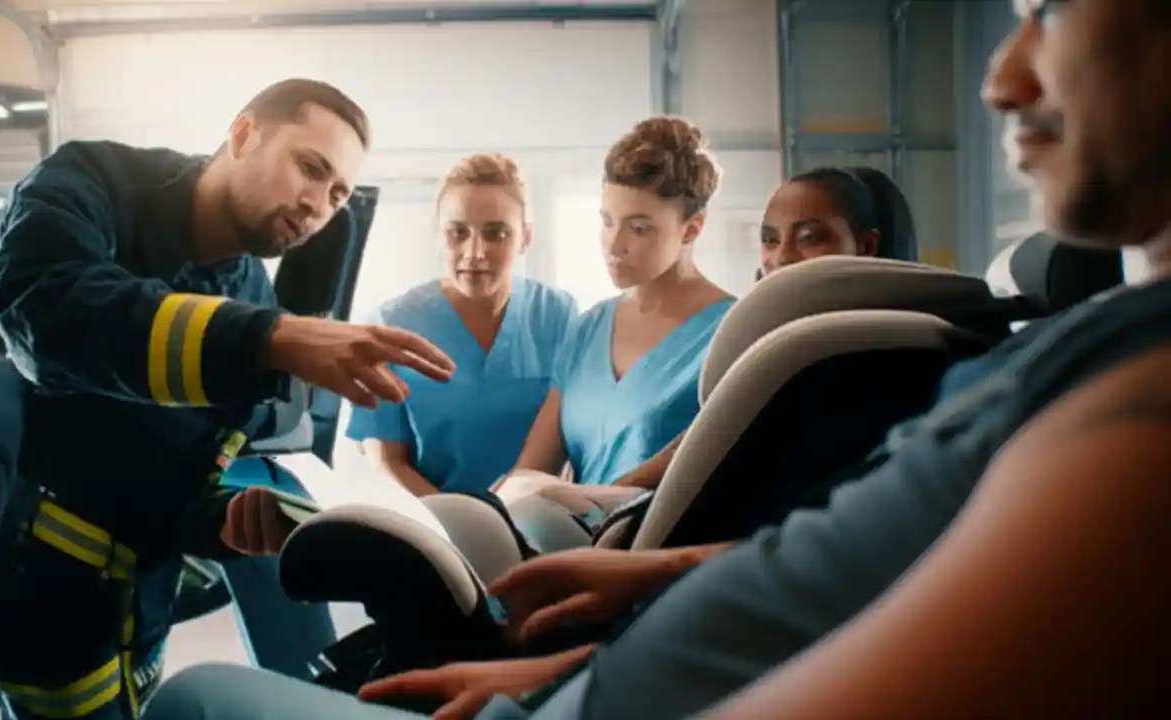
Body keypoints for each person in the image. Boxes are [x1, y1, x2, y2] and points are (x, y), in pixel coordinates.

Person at [145, 0, 1171, 717]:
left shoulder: (1123, 403)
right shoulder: (1047, 366)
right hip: (589, 661)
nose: (1001, 76)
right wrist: (606, 631)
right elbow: (851, 579)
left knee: (193, 695)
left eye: (1057, 7)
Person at [0, 79, 456, 720]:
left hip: (141, 602)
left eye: (338, 195)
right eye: (310, 169)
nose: (318, 206)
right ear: (244, 132)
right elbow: (46, 318)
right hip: (29, 583)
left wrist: (229, 519)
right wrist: (270, 339)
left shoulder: (248, 284)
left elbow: (186, 457)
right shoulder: (89, 182)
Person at [605, 164, 919, 492]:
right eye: (770, 240)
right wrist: (606, 499)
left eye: (809, 238)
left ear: (866, 246)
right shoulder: (765, 342)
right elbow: (708, 439)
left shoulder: (881, 358)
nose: (782, 256)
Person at [497, 116, 734, 502]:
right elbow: (532, 470)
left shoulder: (732, 332)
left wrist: (587, 502)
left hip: (667, 549)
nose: (613, 245)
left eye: (639, 229)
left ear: (692, 229)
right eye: (607, 222)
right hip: (573, 546)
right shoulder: (588, 329)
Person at [345, 154, 577, 497]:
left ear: (526, 237)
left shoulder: (558, 317)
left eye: (496, 233)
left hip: (535, 521)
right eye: (458, 233)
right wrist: (460, 528)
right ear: (438, 235)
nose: (475, 251)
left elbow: (573, 443)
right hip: (431, 526)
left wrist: (510, 517)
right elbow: (387, 463)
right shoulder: (392, 325)